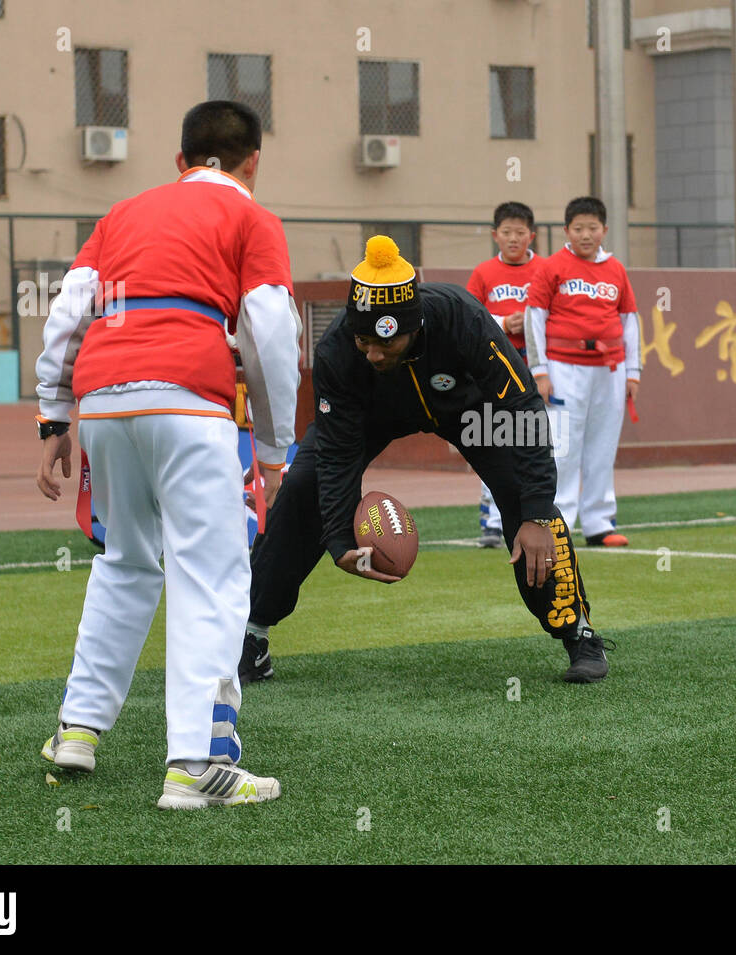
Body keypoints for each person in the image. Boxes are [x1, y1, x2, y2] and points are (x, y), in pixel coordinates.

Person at [34, 100, 300, 809]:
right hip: (189, 400)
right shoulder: (252, 218)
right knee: (210, 574)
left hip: (104, 399)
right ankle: (197, 764)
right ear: (253, 161)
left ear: (180, 161)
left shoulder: (122, 214)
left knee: (124, 561)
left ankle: (77, 730)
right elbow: (271, 330)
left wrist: (54, 415)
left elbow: (68, 310)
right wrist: (275, 448)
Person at [240, 236, 613, 685]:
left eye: (385, 342)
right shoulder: (338, 351)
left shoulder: (461, 316)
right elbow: (336, 457)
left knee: (526, 497)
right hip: (373, 413)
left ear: (414, 326)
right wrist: (338, 542)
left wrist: (534, 513)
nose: (372, 353)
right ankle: (252, 633)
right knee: (305, 484)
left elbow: (523, 407)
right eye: (363, 341)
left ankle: (577, 631)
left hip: (470, 412)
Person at [525, 197, 640, 547]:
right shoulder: (552, 267)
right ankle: (558, 523)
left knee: (602, 445)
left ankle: (599, 523)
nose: (586, 235)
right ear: (566, 230)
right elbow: (534, 318)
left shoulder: (616, 269)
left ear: (604, 230)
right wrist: (539, 371)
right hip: (564, 367)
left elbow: (629, 321)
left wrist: (633, 371)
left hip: (610, 369)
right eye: (578, 228)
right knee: (562, 448)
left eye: (592, 228)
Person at [466, 201, 541, 548]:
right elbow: (469, 318)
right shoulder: (484, 273)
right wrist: (503, 323)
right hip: (494, 365)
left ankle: (538, 515)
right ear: (495, 235)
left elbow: (558, 313)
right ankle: (493, 523)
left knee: (537, 440)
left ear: (532, 236)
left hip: (534, 363)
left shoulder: (545, 270)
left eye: (520, 232)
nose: (514, 239)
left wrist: (530, 324)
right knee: (494, 437)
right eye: (507, 232)